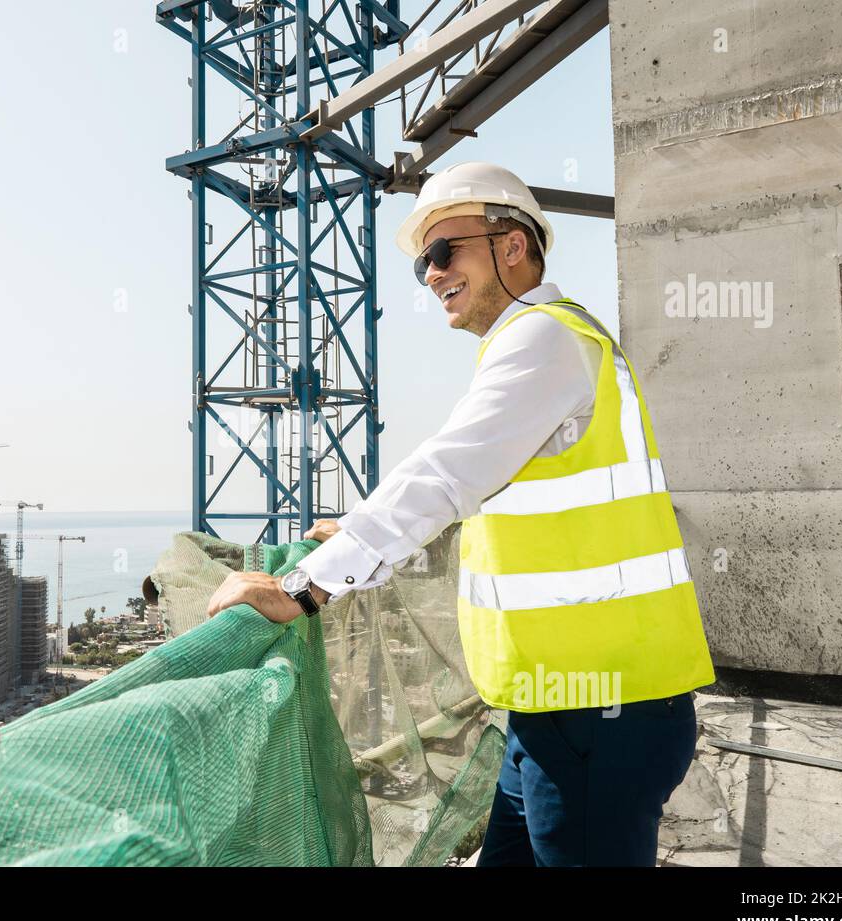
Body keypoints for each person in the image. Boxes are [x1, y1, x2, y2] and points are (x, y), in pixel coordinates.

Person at [205, 161, 715, 866]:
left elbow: (445, 472)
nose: (433, 273)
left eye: (447, 251)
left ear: (513, 245)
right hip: (559, 710)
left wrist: (304, 585)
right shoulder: (544, 344)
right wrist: (356, 531)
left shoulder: (544, 337)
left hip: (602, 714)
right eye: (423, 264)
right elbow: (478, 490)